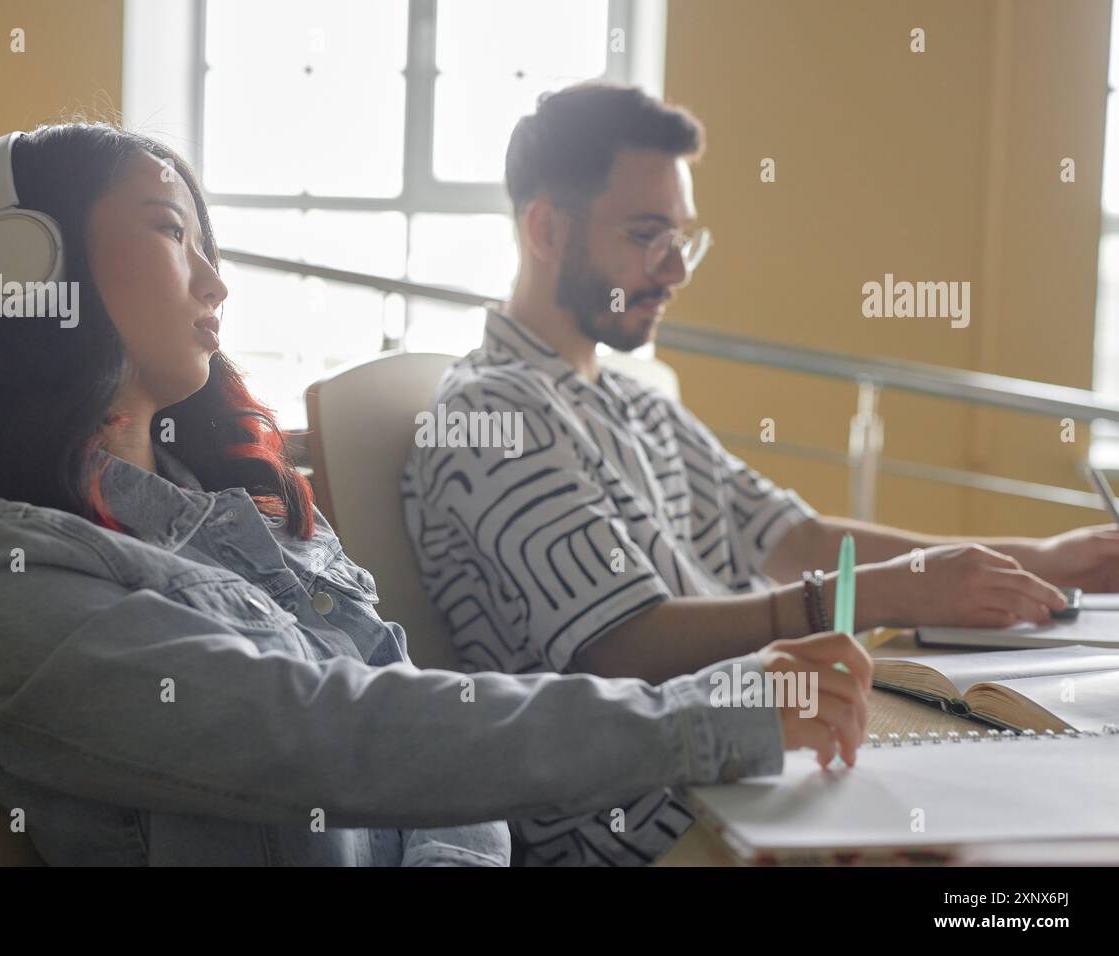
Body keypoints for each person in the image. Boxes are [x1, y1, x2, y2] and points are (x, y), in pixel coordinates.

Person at [0, 122, 870, 866]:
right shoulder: (13, 571)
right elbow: (341, 736)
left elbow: (418, 729)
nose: (215, 283)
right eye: (171, 230)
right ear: (26, 270)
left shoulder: (248, 505)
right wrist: (706, 717)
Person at [401, 82, 1119, 865]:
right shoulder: (491, 414)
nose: (676, 268)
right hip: (645, 820)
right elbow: (625, 645)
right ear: (546, 229)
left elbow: (794, 537)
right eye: (647, 235)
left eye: (683, 237)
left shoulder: (635, 401)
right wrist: (873, 594)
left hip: (749, 768)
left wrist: (1042, 560)